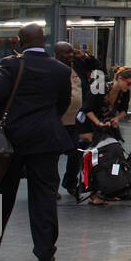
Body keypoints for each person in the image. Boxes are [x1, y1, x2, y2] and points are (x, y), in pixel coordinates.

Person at [0, 24, 73, 261]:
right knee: (44, 196)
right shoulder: (60, 70)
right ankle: (45, 252)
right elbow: (64, 103)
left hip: (10, 140)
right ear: (44, 42)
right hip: (47, 140)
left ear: (19, 42)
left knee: (2, 195)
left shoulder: (11, 64)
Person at [82, 66, 131, 205]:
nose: (129, 87)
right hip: (89, 124)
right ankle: (93, 191)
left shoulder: (124, 93)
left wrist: (116, 119)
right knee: (96, 156)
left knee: (110, 156)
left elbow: (124, 110)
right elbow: (87, 109)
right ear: (119, 78)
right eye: (128, 83)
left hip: (107, 125)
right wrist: (98, 123)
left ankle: (106, 190)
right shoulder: (99, 87)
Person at [53, 43, 87, 200]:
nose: (71, 55)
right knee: (52, 156)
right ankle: (52, 187)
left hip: (74, 122)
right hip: (57, 122)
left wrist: (84, 55)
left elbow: (97, 67)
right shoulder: (52, 68)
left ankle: (70, 183)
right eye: (67, 53)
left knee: (76, 152)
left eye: (72, 52)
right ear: (58, 53)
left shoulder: (77, 67)